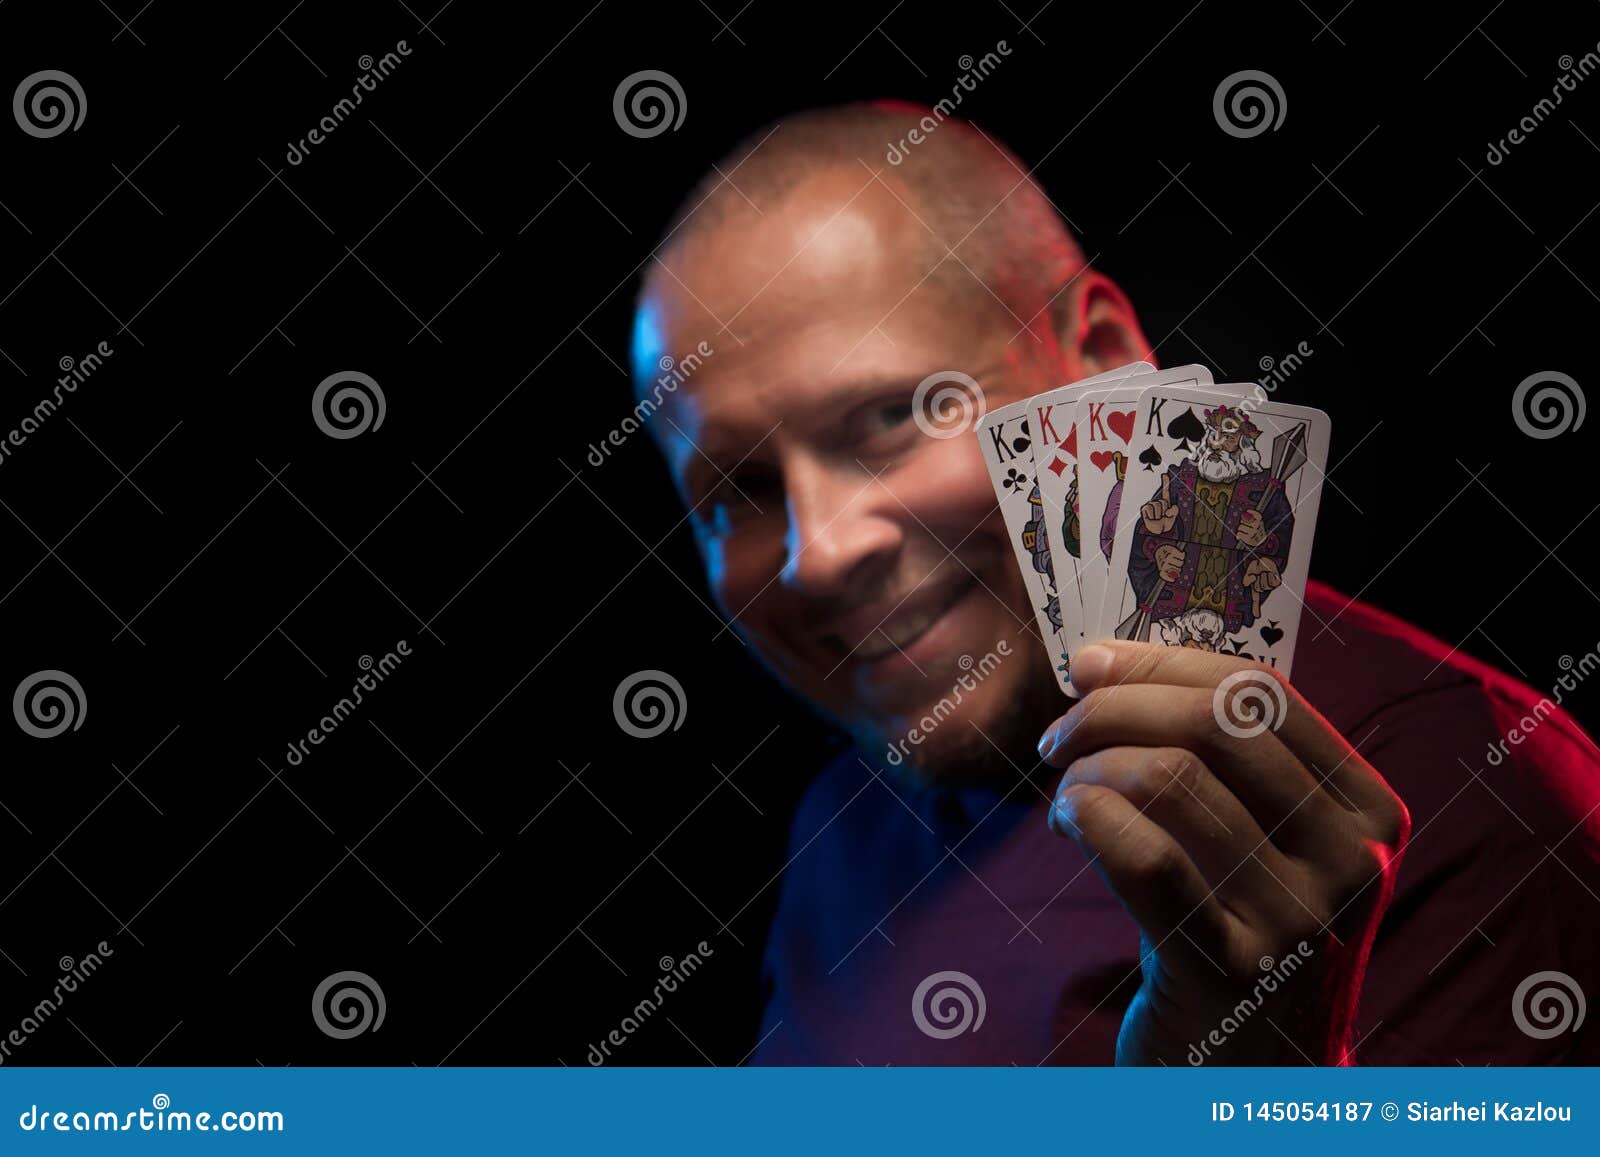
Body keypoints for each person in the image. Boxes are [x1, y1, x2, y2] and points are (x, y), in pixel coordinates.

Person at [628, 102, 1600, 1064]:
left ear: (1098, 361)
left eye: (889, 414)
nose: (819, 551)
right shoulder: (844, 813)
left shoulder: (1469, 779)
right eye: (740, 488)